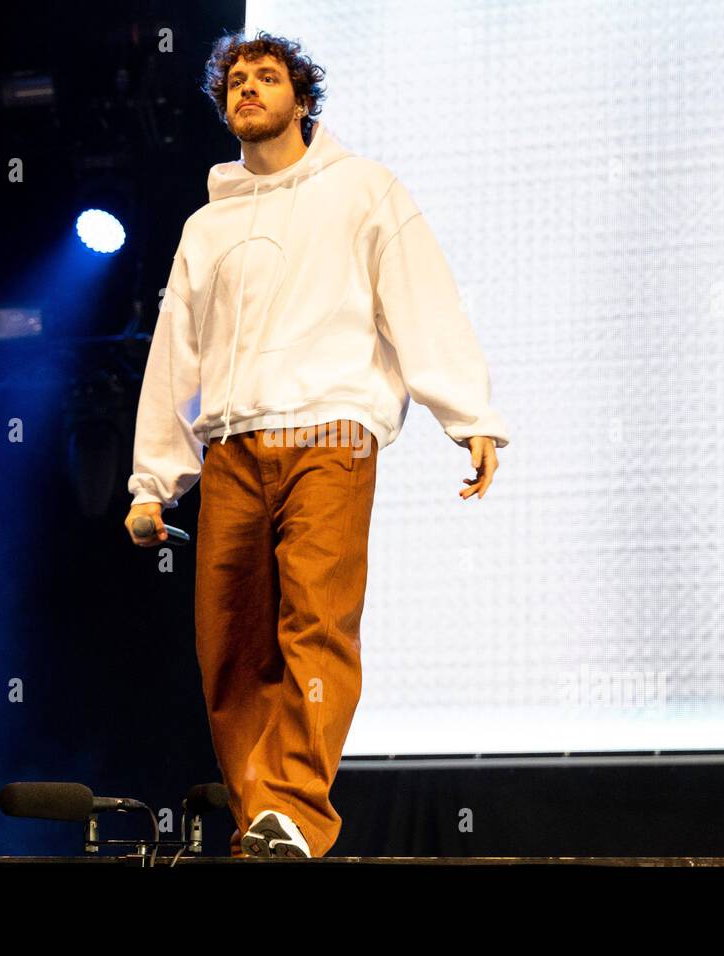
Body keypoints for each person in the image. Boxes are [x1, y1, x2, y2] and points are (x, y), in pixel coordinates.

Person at [124, 29, 510, 858]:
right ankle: (263, 819)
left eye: (267, 77)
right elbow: (175, 354)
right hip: (232, 446)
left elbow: (421, 300)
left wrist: (469, 417)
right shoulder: (207, 227)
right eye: (235, 80)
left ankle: (296, 814)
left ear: (303, 99)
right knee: (227, 644)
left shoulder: (364, 190)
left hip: (331, 439)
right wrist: (153, 482)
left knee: (315, 626)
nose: (248, 90)